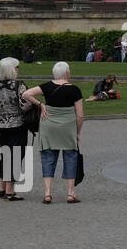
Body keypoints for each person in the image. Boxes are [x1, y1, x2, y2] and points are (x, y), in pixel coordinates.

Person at [21, 62, 84, 204]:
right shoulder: (75, 90)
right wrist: (78, 132)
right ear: (67, 73)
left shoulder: (46, 86)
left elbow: (26, 94)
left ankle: (48, 193)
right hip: (68, 128)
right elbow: (80, 116)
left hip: (48, 125)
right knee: (70, 156)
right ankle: (70, 193)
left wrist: (40, 104)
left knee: (48, 157)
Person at [0, 57, 31, 201]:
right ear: (11, 69)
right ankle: (10, 191)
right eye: (17, 67)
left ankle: (2, 187)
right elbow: (25, 105)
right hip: (16, 125)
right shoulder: (18, 85)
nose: (18, 69)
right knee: (15, 156)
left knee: (5, 154)